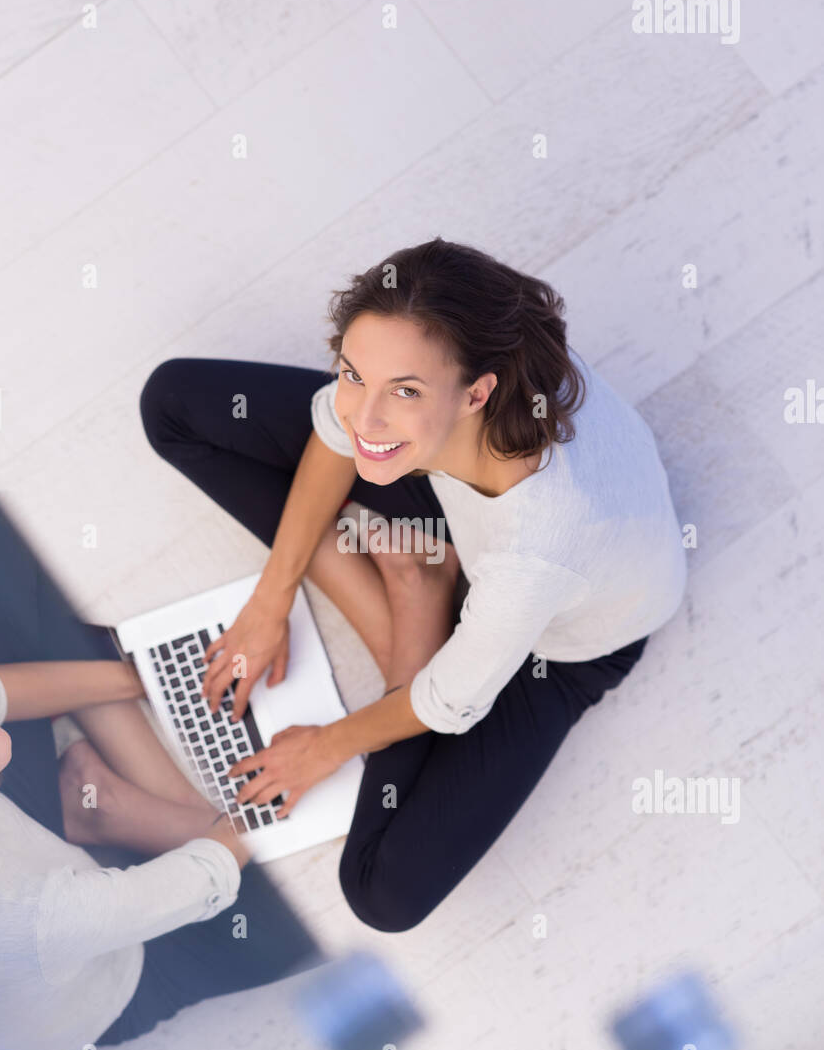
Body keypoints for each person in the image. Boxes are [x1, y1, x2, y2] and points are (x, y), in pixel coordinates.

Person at [139, 236, 688, 934]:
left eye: (403, 389)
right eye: (351, 372)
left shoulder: (537, 553)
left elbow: (445, 701)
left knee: (380, 893)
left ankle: (418, 595)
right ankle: (408, 577)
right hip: (452, 476)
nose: (362, 415)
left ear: (477, 392)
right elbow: (346, 436)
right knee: (174, 404)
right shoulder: (482, 355)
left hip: (562, 642)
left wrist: (326, 745)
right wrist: (268, 601)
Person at [0, 495, 320, 1050]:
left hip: (17, 826)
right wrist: (303, 766)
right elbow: (210, 869)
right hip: (124, 976)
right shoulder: (19, 923)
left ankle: (92, 798)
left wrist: (143, 678)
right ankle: (107, 808)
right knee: (315, 917)